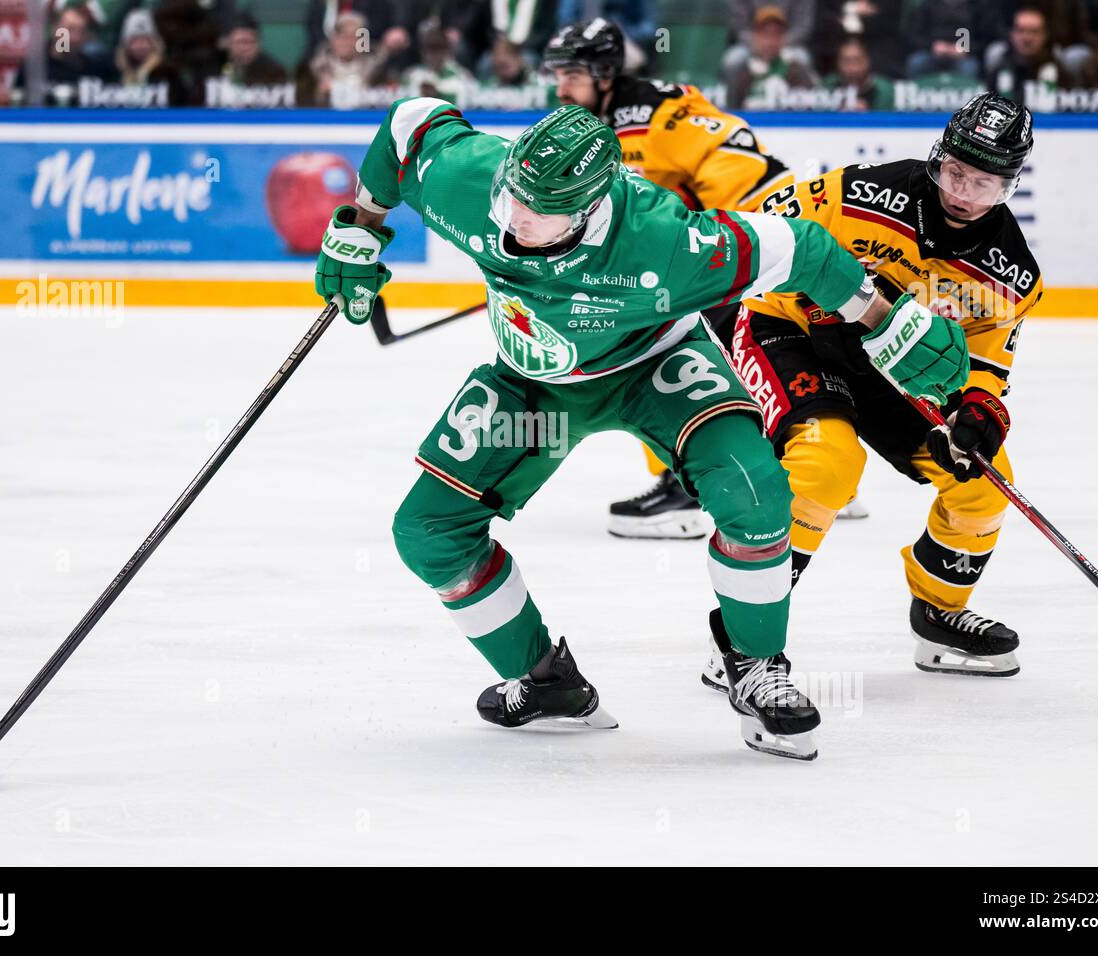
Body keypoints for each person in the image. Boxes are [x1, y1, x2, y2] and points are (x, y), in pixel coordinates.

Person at [313, 97, 970, 759]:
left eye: (539, 210)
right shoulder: (473, 183)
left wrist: (884, 318)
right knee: (428, 532)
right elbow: (410, 124)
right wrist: (361, 226)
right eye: (513, 196)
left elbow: (802, 248)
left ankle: (758, 666)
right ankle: (547, 684)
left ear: (591, 208)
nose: (513, 220)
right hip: (534, 383)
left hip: (657, 367)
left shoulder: (666, 241)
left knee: (757, 495)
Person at [697, 93, 1041, 692]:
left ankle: (938, 611)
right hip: (789, 328)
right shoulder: (856, 192)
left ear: (1011, 183)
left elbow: (986, 357)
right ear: (938, 158)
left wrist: (980, 407)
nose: (963, 193)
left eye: (984, 184)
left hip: (891, 365)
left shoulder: (1012, 270)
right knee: (826, 463)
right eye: (956, 172)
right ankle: (741, 636)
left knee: (983, 482)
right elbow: (763, 235)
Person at [544, 18, 797, 539]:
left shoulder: (658, 113)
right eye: (557, 74)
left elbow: (745, 162)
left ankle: (688, 488)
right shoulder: (590, 126)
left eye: (570, 73)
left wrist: (711, 240)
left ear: (604, 71)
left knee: (657, 348)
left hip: (744, 250)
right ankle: (790, 467)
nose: (560, 87)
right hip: (707, 262)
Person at [722, 6, 819, 109]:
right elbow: (732, 112)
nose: (770, 41)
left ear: (783, 37)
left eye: (776, 34)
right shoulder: (740, 72)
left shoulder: (797, 70)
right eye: (765, 34)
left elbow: (807, 109)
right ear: (755, 36)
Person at [986, 6, 1076, 107]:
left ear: (1045, 35)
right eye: (1021, 30)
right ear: (1012, 34)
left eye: (1034, 32)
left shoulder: (1061, 72)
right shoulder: (999, 70)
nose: (1027, 38)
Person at [826, 33, 895, 109]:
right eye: (846, 61)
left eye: (857, 61)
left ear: (868, 62)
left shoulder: (885, 91)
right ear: (837, 63)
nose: (852, 68)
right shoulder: (827, 87)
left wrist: (866, 116)